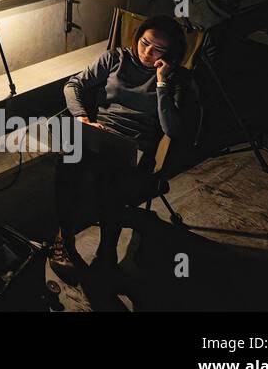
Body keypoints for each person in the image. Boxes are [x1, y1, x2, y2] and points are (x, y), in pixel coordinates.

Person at [50, 15, 196, 279]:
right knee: (67, 161)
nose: (147, 53)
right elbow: (74, 84)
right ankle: (65, 238)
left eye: (158, 49)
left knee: (110, 176)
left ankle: (107, 249)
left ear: (170, 53)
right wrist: (82, 118)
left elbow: (172, 129)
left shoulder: (176, 77)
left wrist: (162, 82)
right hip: (100, 131)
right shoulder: (115, 59)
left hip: (135, 146)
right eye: (144, 43)